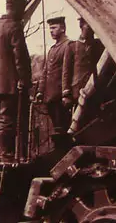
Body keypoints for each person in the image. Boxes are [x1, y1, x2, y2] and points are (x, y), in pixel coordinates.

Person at [0, 0, 32, 162]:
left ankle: (7, 153)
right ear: (18, 9)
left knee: (2, 118)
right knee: (10, 119)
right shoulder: (14, 27)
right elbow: (21, 58)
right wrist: (25, 80)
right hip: (9, 82)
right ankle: (9, 155)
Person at [41, 16, 74, 150]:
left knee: (63, 129)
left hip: (61, 97)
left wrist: (66, 94)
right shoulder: (52, 49)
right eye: (50, 28)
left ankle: (63, 153)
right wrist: (40, 92)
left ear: (63, 28)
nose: (51, 31)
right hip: (50, 97)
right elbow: (45, 72)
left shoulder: (68, 46)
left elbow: (66, 72)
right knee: (56, 128)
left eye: (54, 28)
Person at [71, 17, 105, 102]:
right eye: (88, 25)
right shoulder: (73, 46)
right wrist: (66, 93)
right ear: (81, 26)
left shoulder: (100, 44)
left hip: (95, 88)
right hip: (78, 89)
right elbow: (66, 72)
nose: (91, 28)